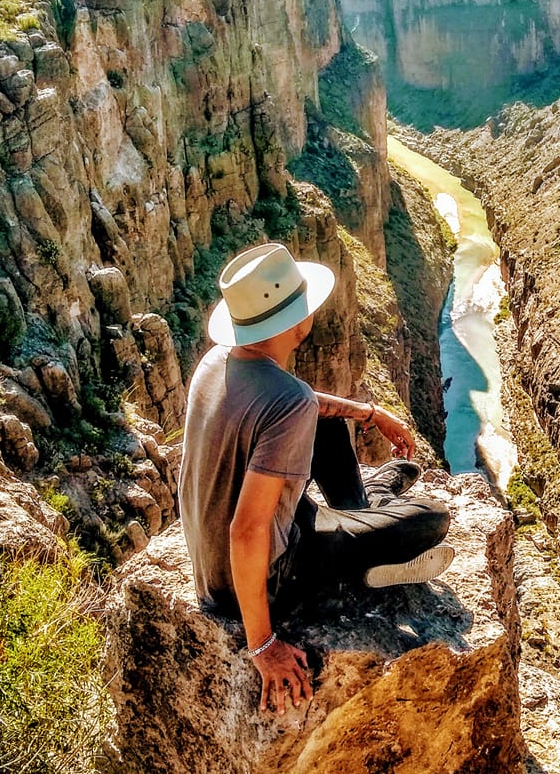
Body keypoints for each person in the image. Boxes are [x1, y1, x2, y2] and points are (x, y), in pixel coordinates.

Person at [178, 242, 454, 715]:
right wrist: (263, 645)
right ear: (296, 323)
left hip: (213, 563)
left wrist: (369, 412)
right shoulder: (287, 405)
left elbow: (305, 402)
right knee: (432, 518)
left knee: (322, 420)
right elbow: (247, 531)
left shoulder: (217, 361)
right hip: (266, 576)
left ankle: (364, 513)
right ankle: (369, 553)